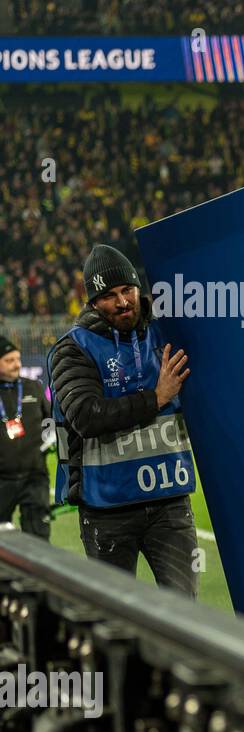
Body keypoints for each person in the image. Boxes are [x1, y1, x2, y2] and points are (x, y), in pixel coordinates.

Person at [47, 244, 200, 595]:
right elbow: (86, 415)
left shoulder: (167, 336)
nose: (122, 302)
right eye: (109, 296)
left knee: (187, 618)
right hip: (107, 511)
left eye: (127, 290)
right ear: (92, 302)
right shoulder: (72, 350)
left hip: (170, 503)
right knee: (116, 621)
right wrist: (155, 399)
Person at [0, 335, 53, 538]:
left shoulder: (33, 386)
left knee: (38, 539)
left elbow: (50, 420)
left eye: (17, 359)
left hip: (35, 476)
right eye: (9, 360)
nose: (16, 365)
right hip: (2, 479)